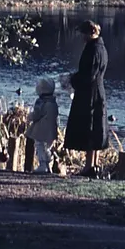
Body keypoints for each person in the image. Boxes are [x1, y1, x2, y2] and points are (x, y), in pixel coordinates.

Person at [63, 19, 108, 176]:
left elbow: (88, 75)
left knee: (89, 128)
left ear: (90, 33)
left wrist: (72, 79)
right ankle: (93, 165)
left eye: (83, 33)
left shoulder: (93, 50)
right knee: (95, 129)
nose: (81, 37)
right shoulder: (101, 48)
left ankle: (89, 167)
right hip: (98, 91)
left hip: (90, 93)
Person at [26, 78, 59, 174]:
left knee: (39, 146)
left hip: (40, 130)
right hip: (51, 130)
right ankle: (48, 164)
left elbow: (37, 114)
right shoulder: (53, 102)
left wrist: (30, 117)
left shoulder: (41, 102)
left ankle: (42, 164)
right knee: (47, 148)